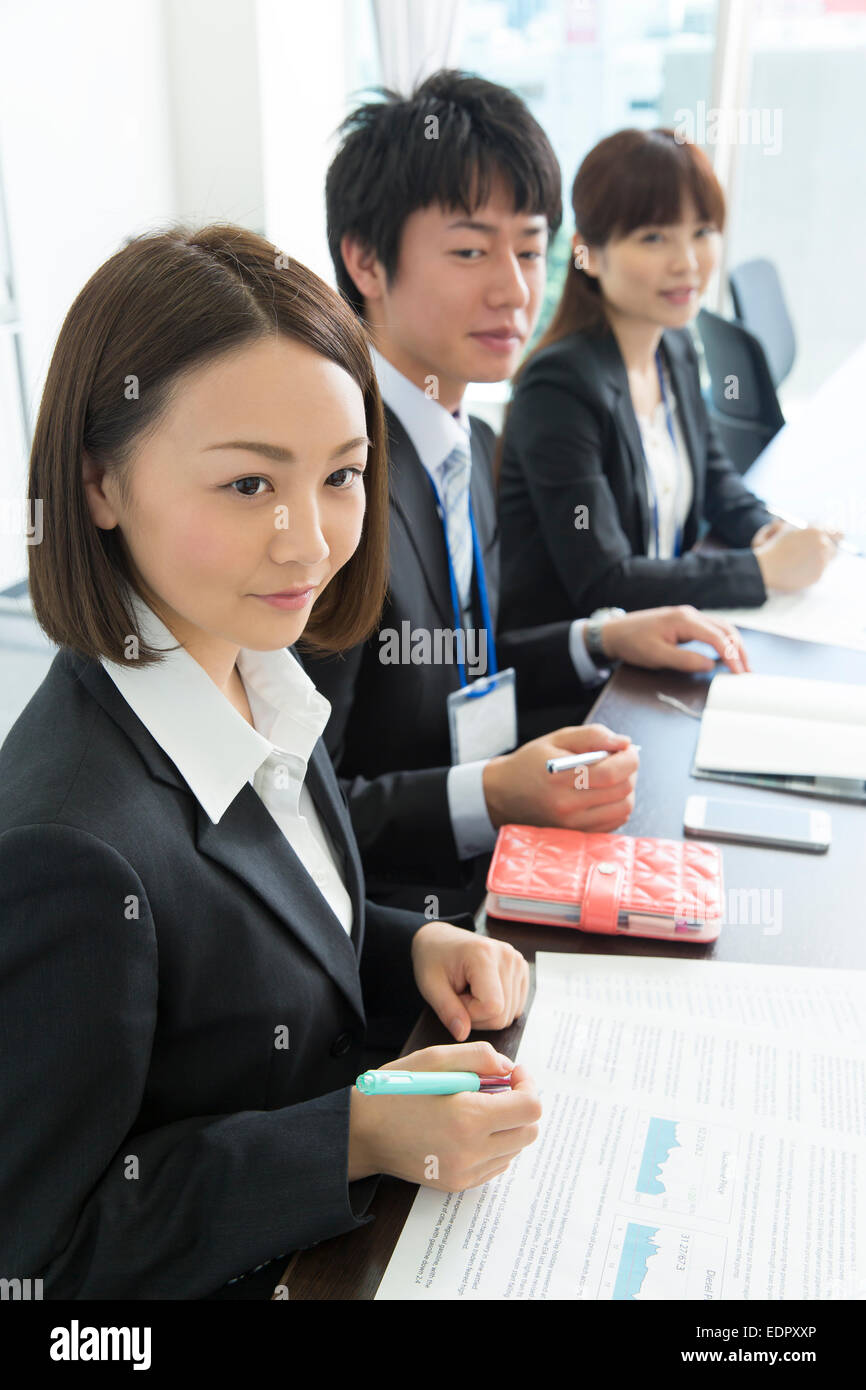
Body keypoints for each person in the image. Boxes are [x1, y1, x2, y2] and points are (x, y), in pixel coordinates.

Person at [0, 224, 538, 1300]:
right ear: (99, 486)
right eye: (249, 486)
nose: (308, 539)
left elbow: (249, 935)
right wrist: (347, 1137)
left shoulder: (256, 675)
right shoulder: (69, 852)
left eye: (341, 475)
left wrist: (405, 943)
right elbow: (43, 1262)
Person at [303, 72, 749, 916]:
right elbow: (293, 808)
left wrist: (601, 635)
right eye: (471, 250)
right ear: (365, 259)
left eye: (530, 247)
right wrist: (489, 796)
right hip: (391, 929)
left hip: (491, 872)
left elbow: (468, 655)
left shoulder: (466, 439)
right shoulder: (332, 487)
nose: (514, 288)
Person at [498, 127, 842, 629]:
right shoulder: (559, 387)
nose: (687, 263)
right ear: (588, 253)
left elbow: (716, 482)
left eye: (701, 231)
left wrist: (768, 532)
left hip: (669, 637)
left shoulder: (673, 346)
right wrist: (762, 570)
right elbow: (603, 582)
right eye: (654, 237)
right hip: (585, 679)